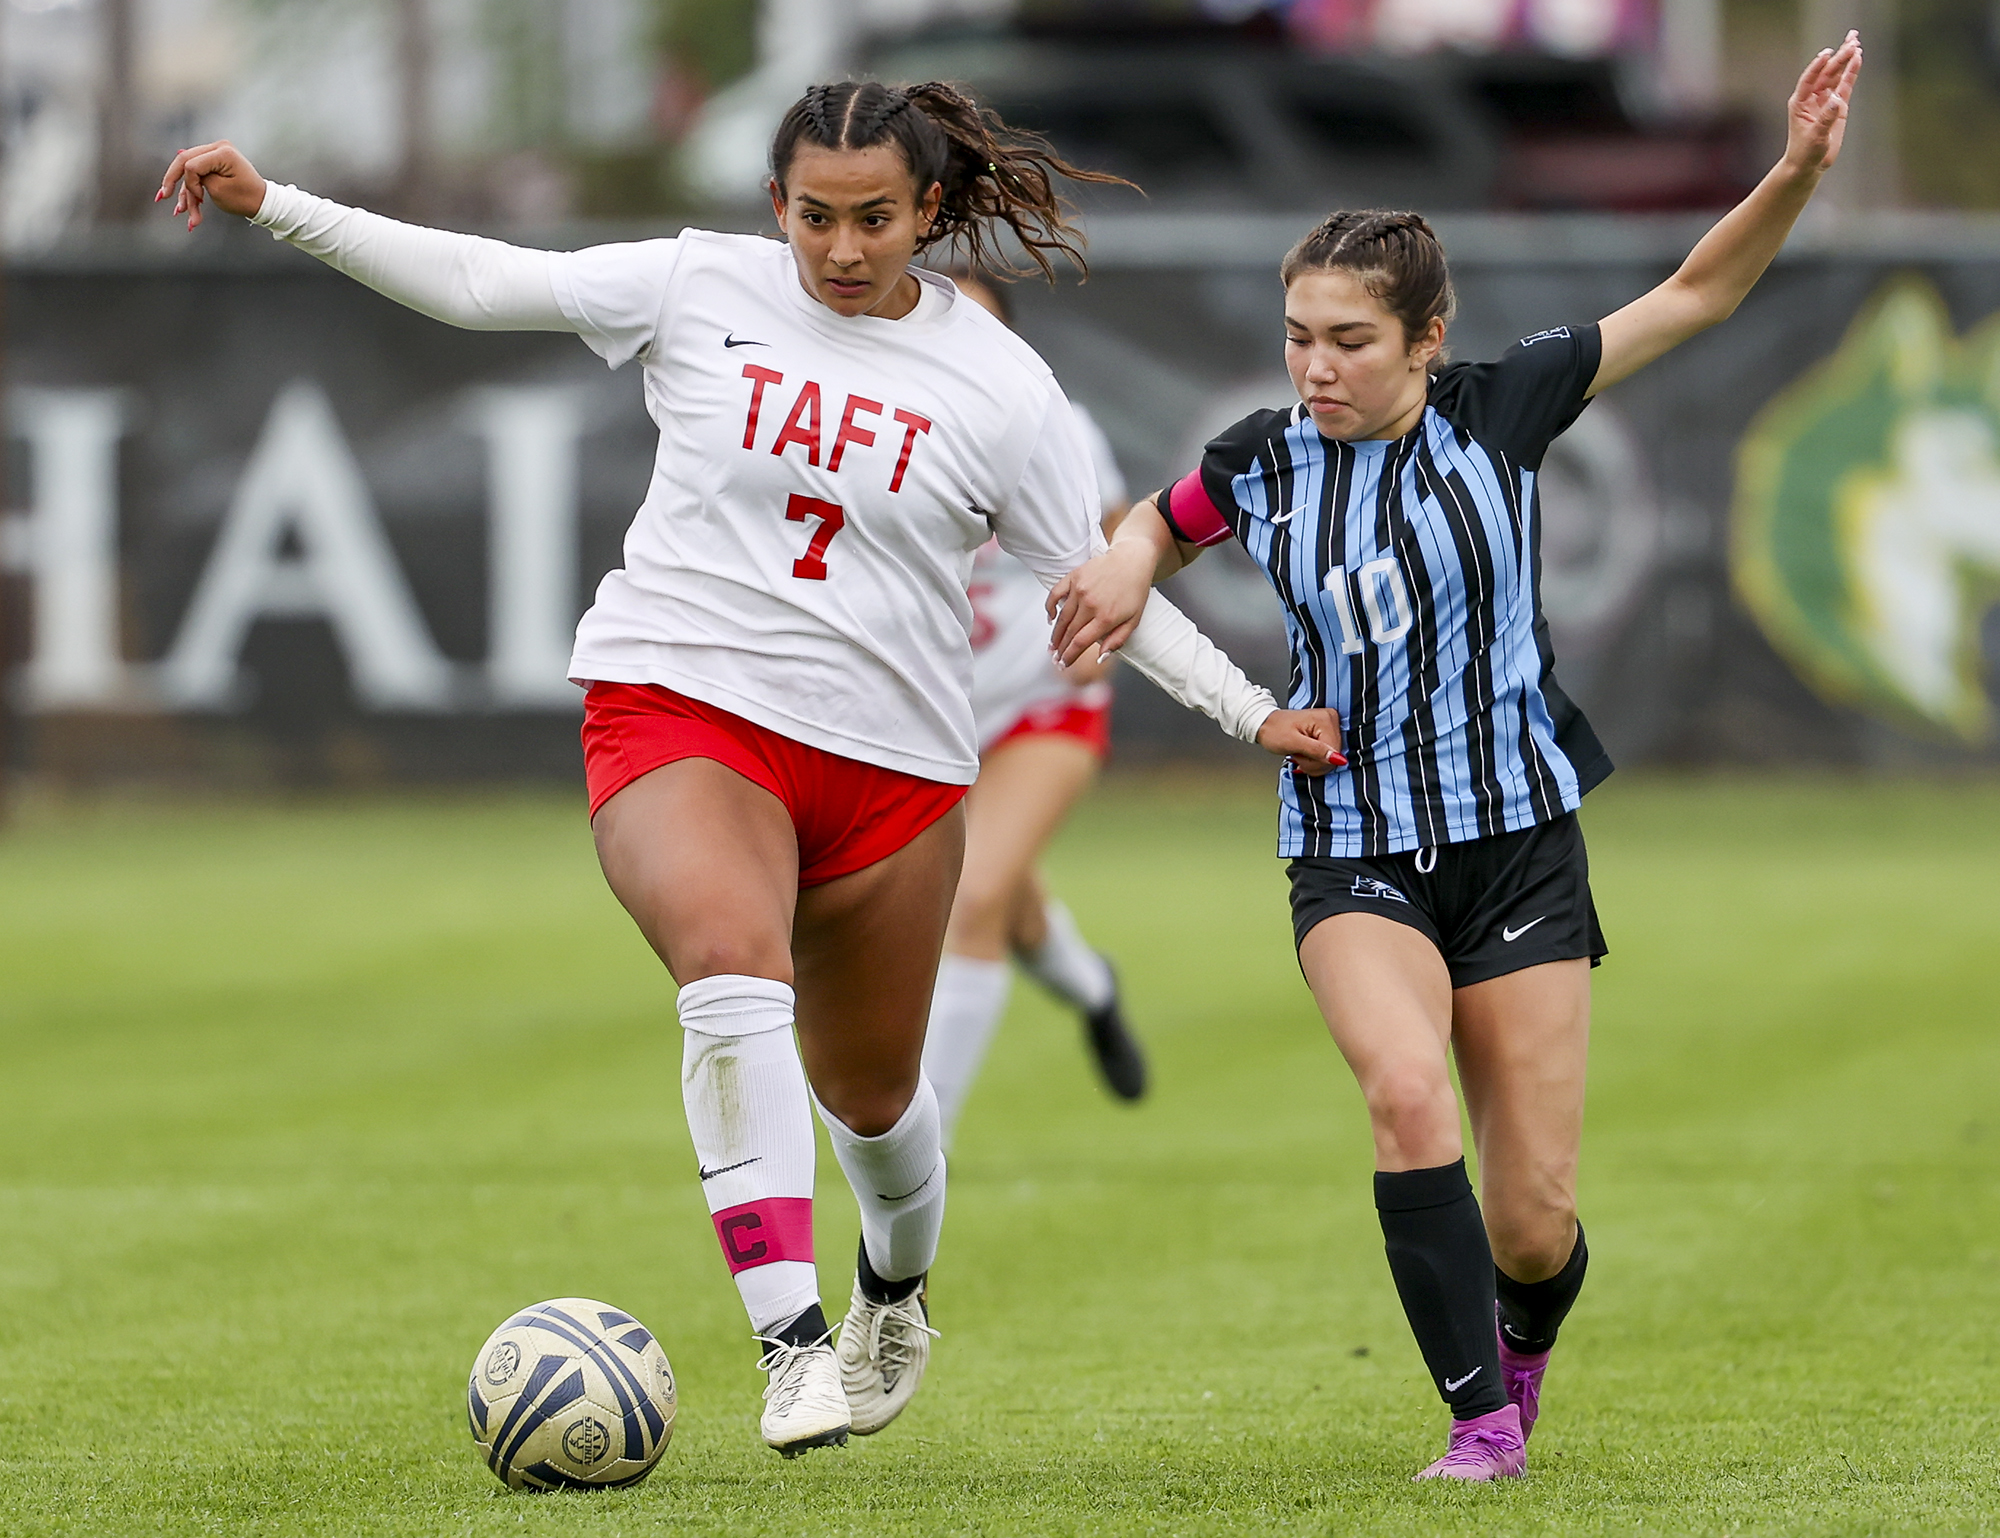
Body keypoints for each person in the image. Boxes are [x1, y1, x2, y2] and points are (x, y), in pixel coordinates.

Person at [157, 81, 1341, 1459]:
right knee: (730, 972)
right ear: (776, 205)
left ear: (931, 213)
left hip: (893, 767)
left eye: (876, 220)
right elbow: (484, 281)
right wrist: (276, 205)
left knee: (881, 1109)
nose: (842, 249)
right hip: (682, 703)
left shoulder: (1006, 389)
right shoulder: (694, 284)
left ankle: (889, 1297)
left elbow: (1098, 586)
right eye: (816, 217)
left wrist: (1249, 710)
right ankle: (788, 1344)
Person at [1049, 37, 1863, 1481]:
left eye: (1350, 340)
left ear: (1426, 341)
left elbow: (1697, 291)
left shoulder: (1506, 406)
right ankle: (1480, 1422)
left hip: (1519, 843)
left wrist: (1793, 170)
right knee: (1404, 1092)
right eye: (1302, 334)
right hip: (1351, 840)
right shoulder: (1263, 455)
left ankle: (1524, 1338)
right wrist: (1123, 560)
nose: (1317, 366)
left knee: (1534, 1218)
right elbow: (1157, 522)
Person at [921, 267, 1147, 1145]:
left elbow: (1128, 535)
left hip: (1040, 701)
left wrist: (1104, 624)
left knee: (971, 900)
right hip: (921, 715)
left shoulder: (1054, 426)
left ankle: (910, 1183)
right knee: (996, 890)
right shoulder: (869, 420)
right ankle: (1091, 985)